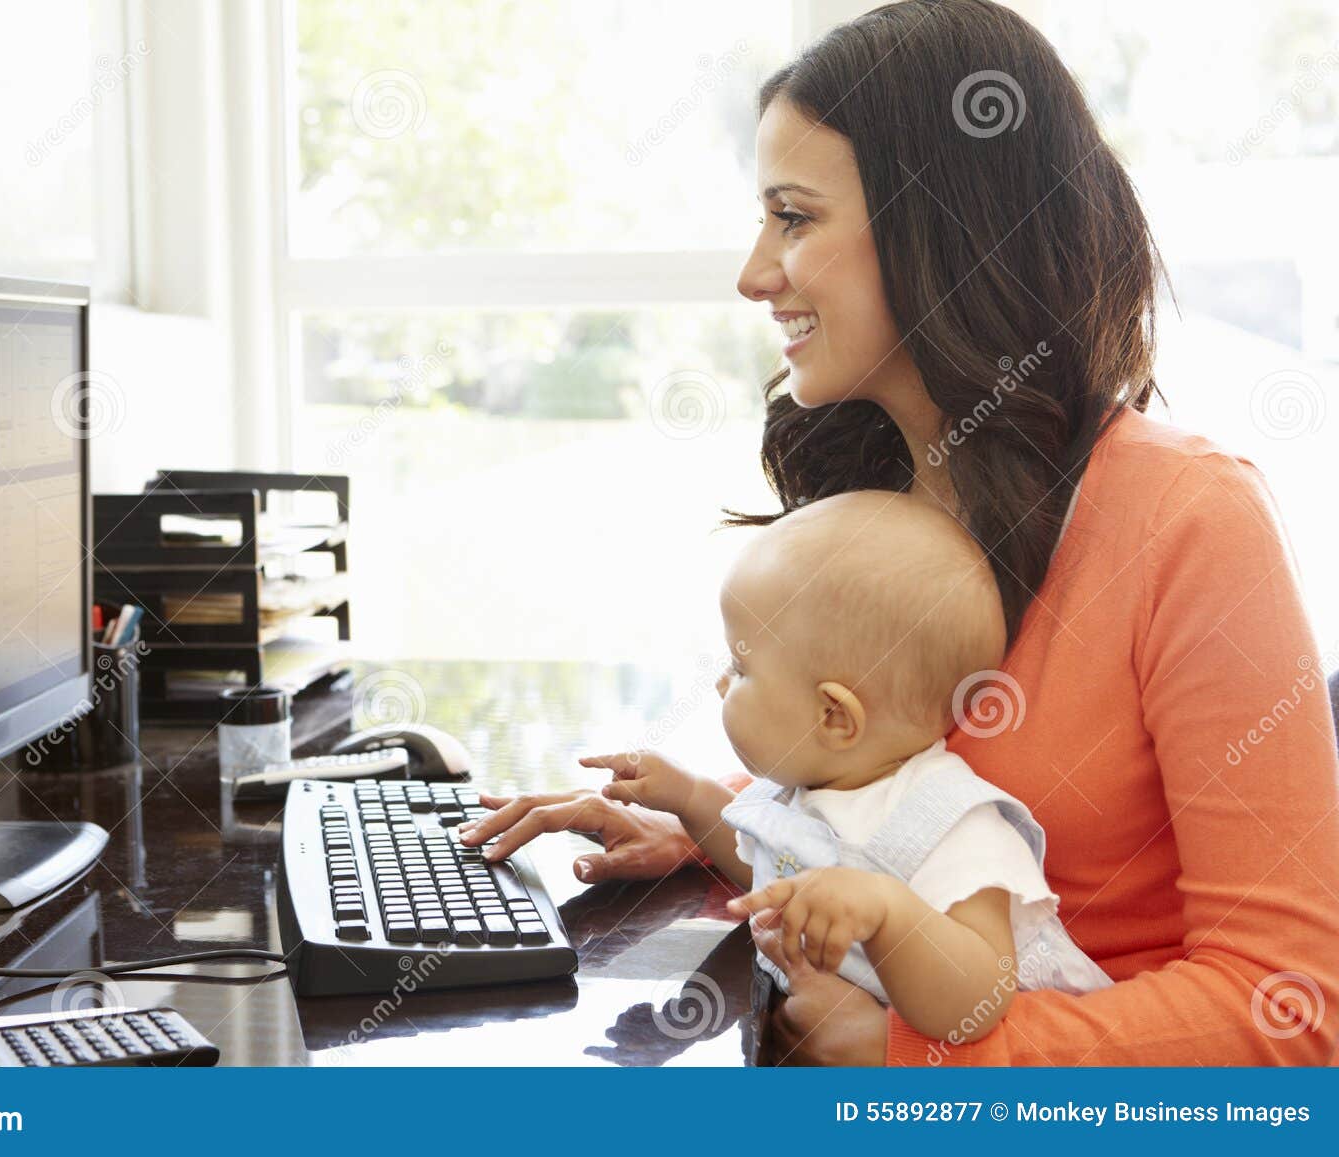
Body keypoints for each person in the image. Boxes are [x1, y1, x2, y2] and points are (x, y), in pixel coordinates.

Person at [460, 0, 1339, 1065]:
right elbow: (904, 770)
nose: (753, 273)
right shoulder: (873, 474)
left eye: (794, 217)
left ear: (945, 230)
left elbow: (1291, 1010)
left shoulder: (1192, 520)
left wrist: (923, 1052)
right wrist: (725, 823)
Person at [587, 490, 1111, 1049]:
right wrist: (689, 798)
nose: (721, 683)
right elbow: (773, 874)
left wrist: (889, 913)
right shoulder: (813, 785)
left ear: (835, 716)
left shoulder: (953, 826)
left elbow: (979, 1002)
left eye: (741, 668)